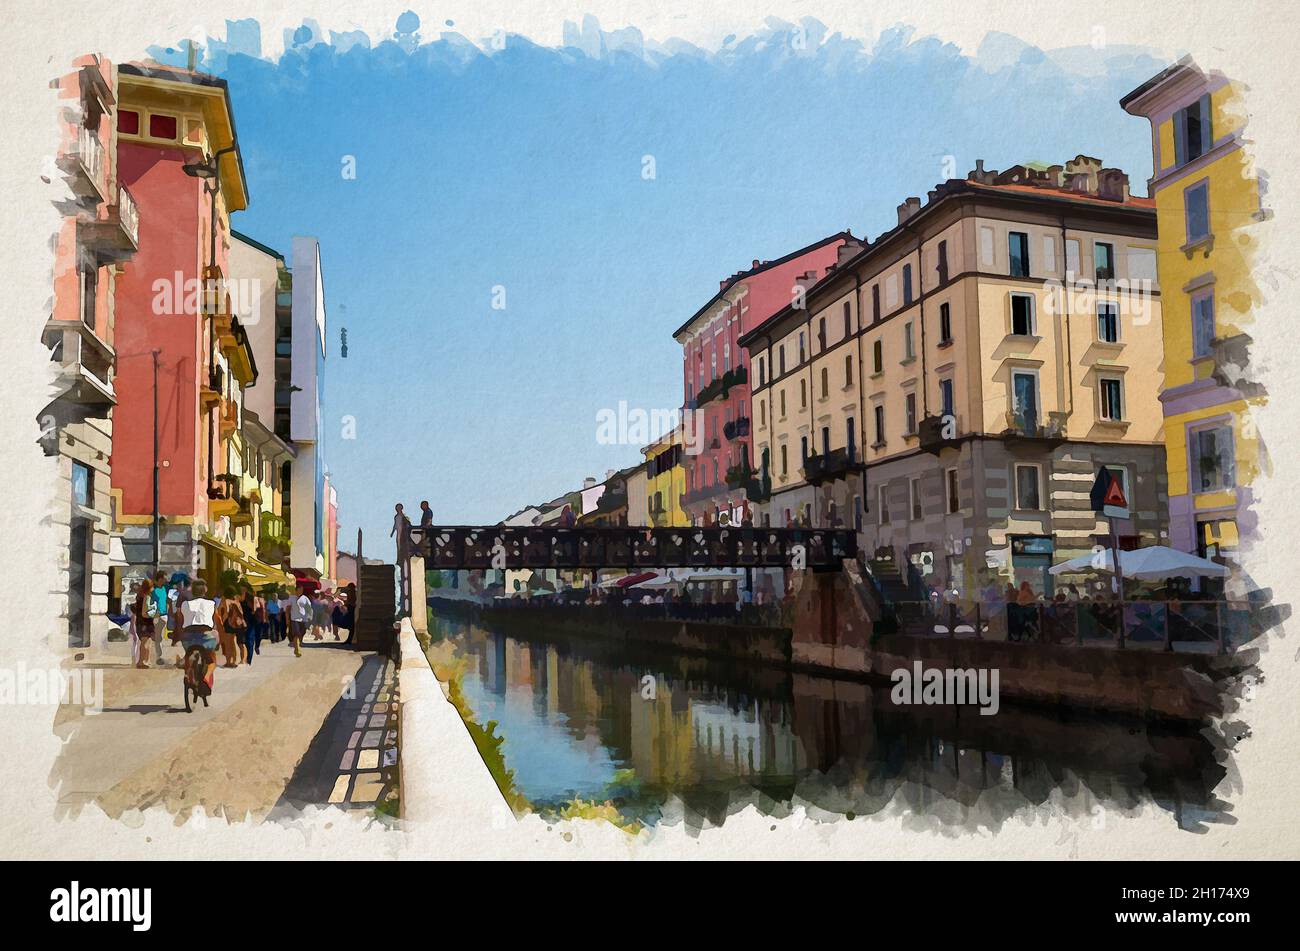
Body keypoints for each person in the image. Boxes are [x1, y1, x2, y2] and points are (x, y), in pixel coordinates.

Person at [173, 579, 218, 695]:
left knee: (188, 654)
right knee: (212, 659)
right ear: (205, 590)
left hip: (188, 636)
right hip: (205, 636)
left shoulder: (185, 604)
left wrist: (179, 635)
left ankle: (188, 674)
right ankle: (206, 678)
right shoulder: (211, 603)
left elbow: (180, 620)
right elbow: (215, 621)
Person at [216, 586, 246, 668]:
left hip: (228, 623)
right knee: (235, 643)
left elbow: (222, 612)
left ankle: (229, 662)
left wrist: (221, 623)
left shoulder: (225, 601)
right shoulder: (236, 601)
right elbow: (241, 613)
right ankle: (235, 660)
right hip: (238, 624)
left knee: (229, 643)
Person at [132, 578, 157, 669]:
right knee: (146, 643)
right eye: (153, 587)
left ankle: (144, 661)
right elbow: (144, 613)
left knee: (145, 642)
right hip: (145, 623)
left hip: (141, 622)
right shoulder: (146, 597)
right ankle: (143, 661)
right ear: (149, 587)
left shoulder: (140, 596)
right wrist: (154, 613)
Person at [290, 585, 312, 657]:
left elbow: (309, 608)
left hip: (303, 619)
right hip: (294, 619)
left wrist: (310, 617)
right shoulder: (291, 598)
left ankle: (297, 645)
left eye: (302, 590)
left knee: (302, 633)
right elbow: (288, 608)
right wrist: (287, 619)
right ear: (296, 590)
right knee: (296, 633)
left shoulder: (305, 598)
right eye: (299, 590)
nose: (301, 591)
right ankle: (297, 650)